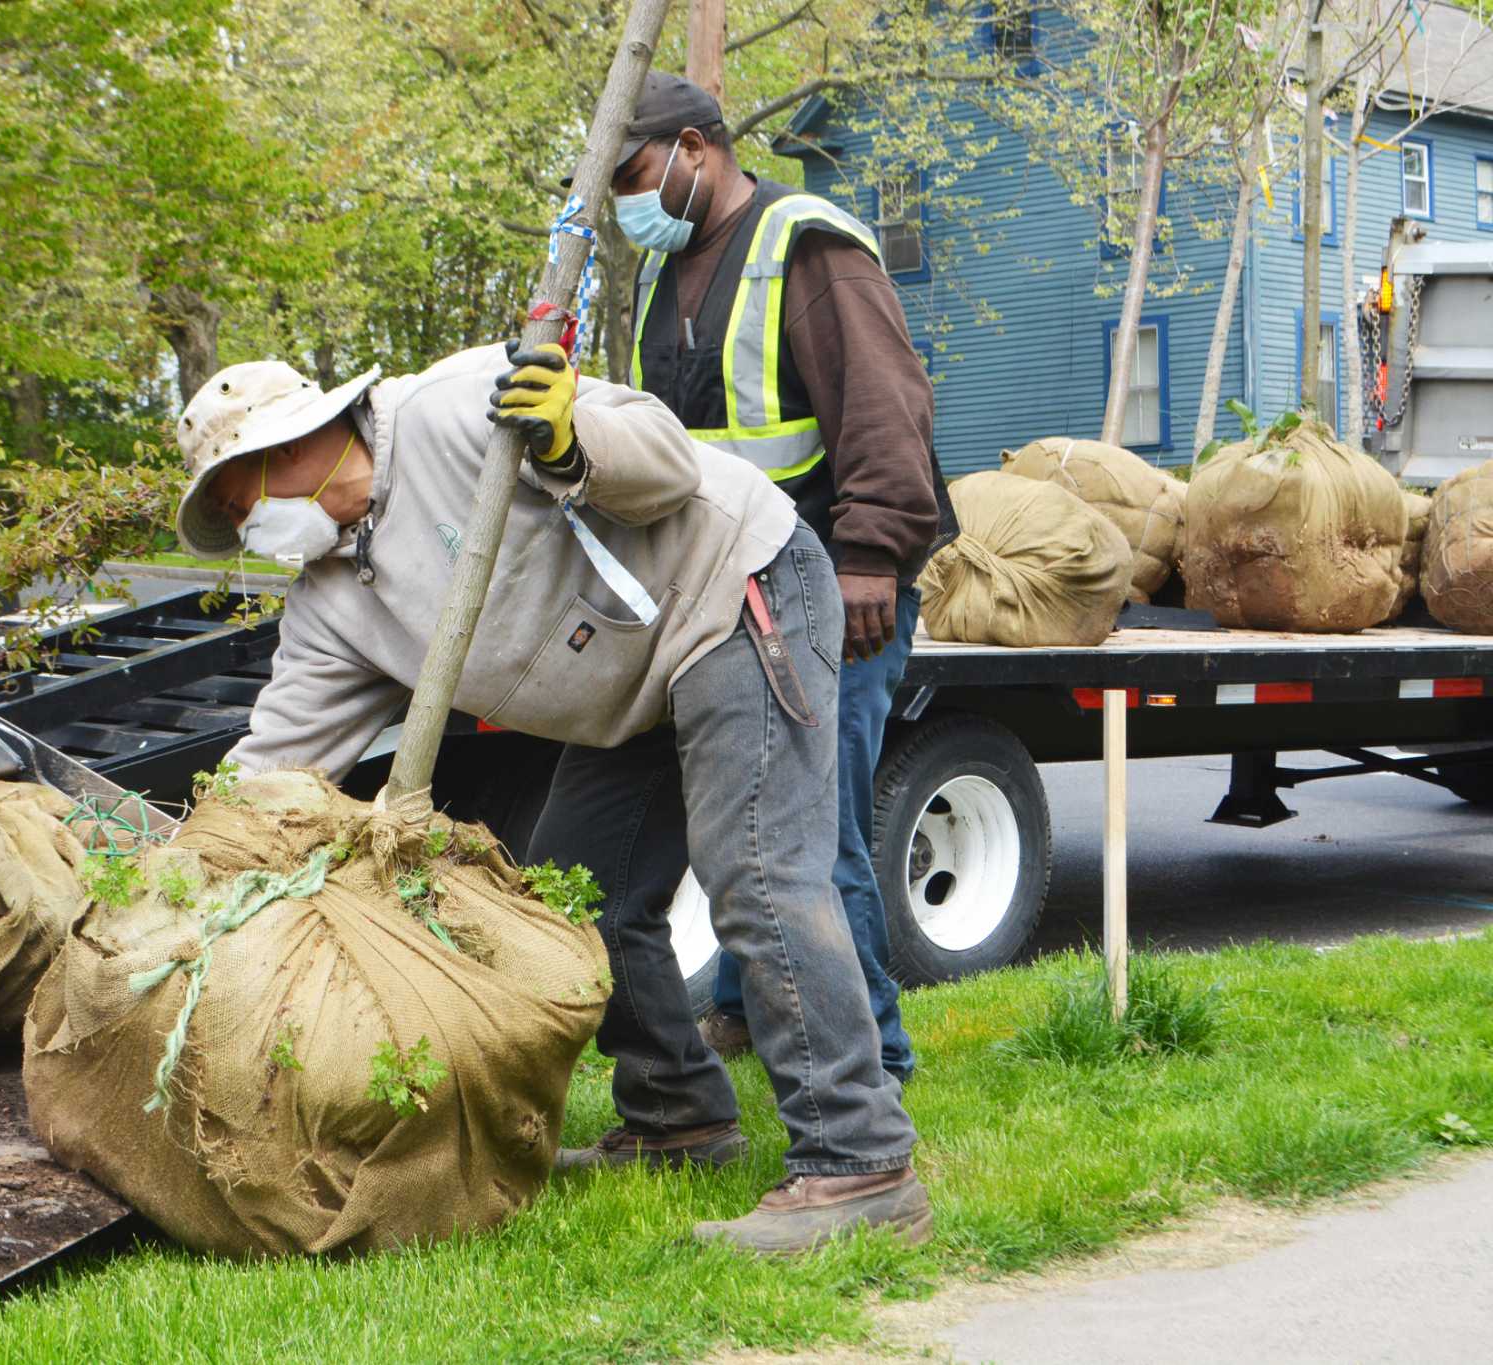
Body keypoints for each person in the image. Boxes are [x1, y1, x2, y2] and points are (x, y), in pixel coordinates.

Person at [172, 339, 931, 1254]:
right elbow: (277, 767)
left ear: (292, 451)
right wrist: (187, 866)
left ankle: (860, 1160)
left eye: (239, 501)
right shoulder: (334, 601)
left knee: (759, 873)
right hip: (628, 686)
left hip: (730, 591)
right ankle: (678, 1120)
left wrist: (575, 445)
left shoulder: (460, 411)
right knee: (572, 892)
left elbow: (667, 455)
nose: (248, 528)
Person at [591, 72, 957, 1083]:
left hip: (836, 584)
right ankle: (747, 1012)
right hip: (730, 588)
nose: (625, 203)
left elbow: (885, 403)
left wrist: (871, 556)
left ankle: (871, 1060)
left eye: (633, 176)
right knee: (741, 823)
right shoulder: (668, 278)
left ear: (697, 149)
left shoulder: (804, 245)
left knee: (811, 829)